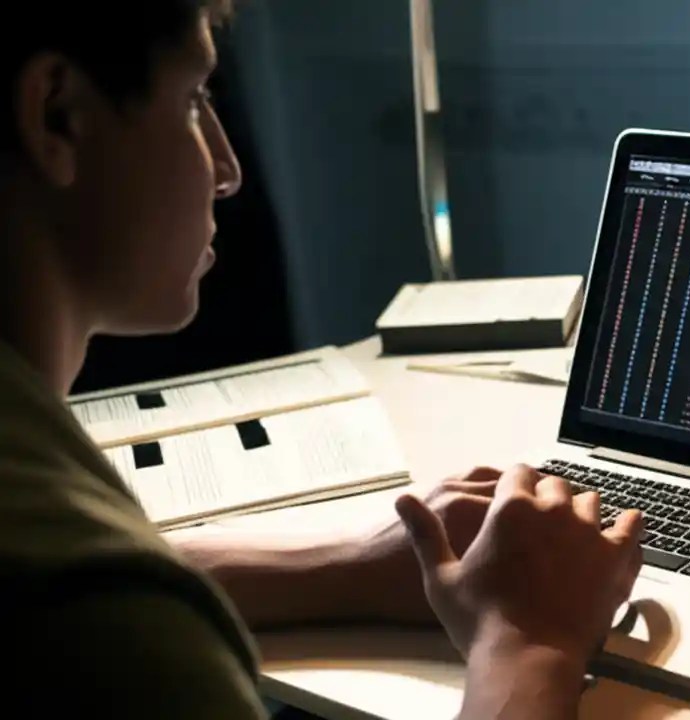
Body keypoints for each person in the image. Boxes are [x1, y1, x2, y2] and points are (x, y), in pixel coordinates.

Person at [0, 2, 644, 718]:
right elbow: (106, 593)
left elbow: (128, 564)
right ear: (58, 115)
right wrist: (529, 644)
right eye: (192, 100)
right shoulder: (97, 622)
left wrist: (353, 568)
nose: (227, 169)